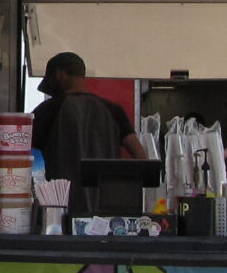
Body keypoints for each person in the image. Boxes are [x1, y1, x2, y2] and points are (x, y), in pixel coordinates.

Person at [29, 51, 149, 210]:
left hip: (63, 207)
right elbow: (141, 157)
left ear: (59, 74)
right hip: (108, 208)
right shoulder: (113, 110)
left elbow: (17, 153)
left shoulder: (46, 111)